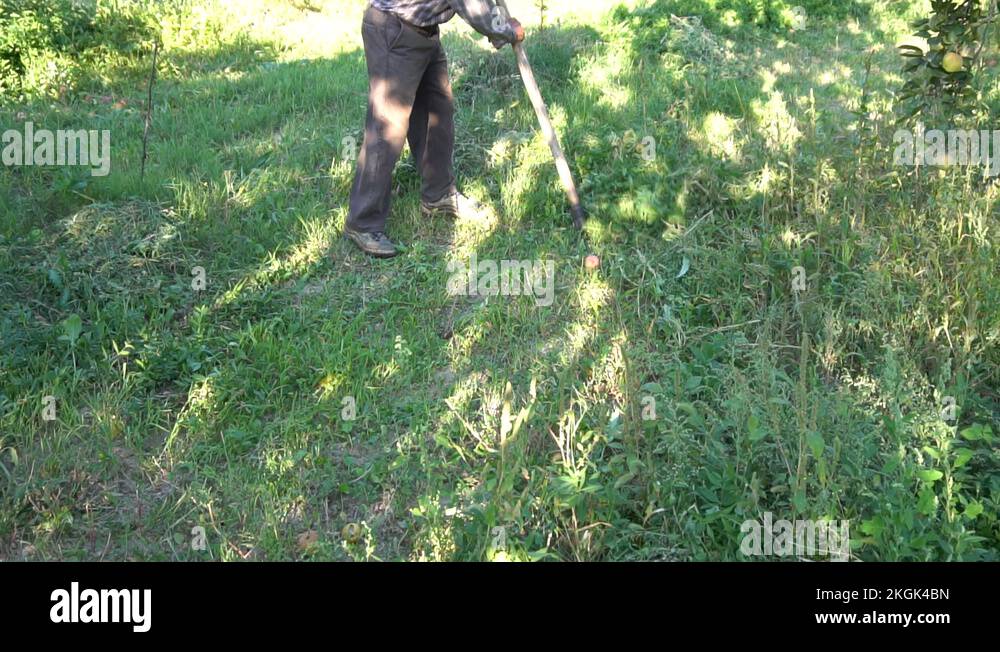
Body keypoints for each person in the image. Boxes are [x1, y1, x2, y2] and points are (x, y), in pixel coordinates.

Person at [343, 1, 526, 258]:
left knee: (436, 112)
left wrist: (499, 27)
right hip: (394, 28)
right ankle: (362, 221)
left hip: (423, 30)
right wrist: (505, 29)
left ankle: (438, 194)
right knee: (387, 127)